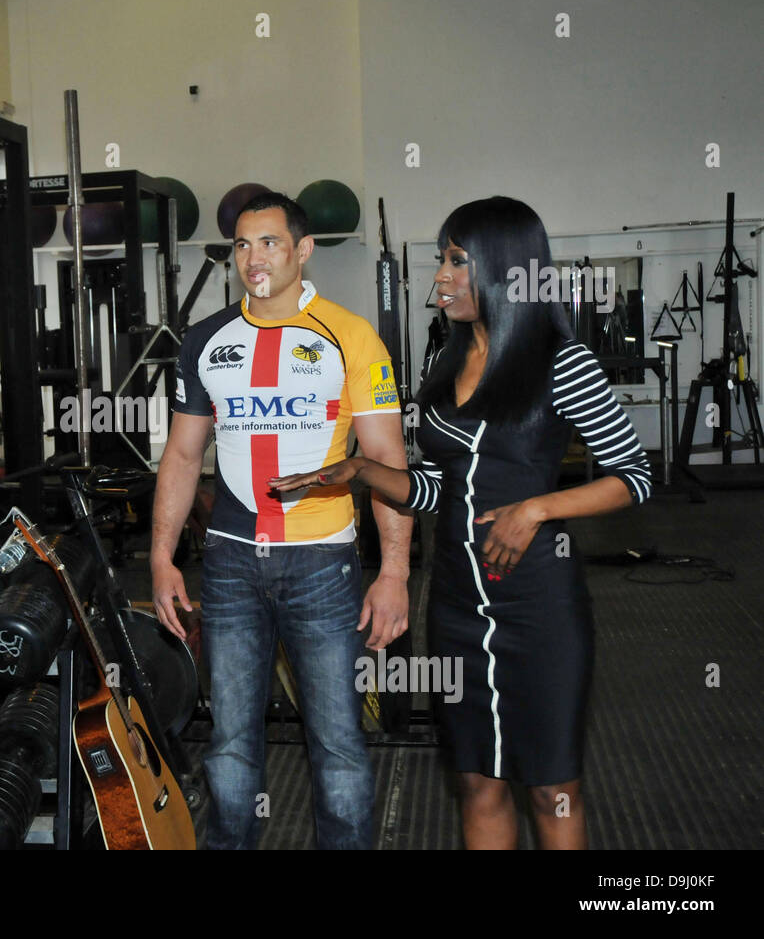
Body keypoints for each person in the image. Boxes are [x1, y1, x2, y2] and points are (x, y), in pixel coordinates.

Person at [272, 196, 652, 849]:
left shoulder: (562, 361)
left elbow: (635, 476)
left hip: (539, 607)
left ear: (506, 269)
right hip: (456, 607)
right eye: (442, 259)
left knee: (551, 786)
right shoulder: (445, 362)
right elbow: (436, 486)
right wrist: (359, 470)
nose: (441, 276)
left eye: (456, 261)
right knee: (478, 782)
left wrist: (539, 507)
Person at [152, 192, 412, 850]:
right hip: (234, 561)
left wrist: (396, 571)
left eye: (268, 242)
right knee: (231, 744)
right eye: (241, 245)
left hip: (323, 563)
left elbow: (385, 462)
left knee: (340, 744)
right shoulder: (207, 340)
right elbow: (183, 455)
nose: (253, 257)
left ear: (302, 249)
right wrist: (161, 559)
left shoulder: (351, 336)